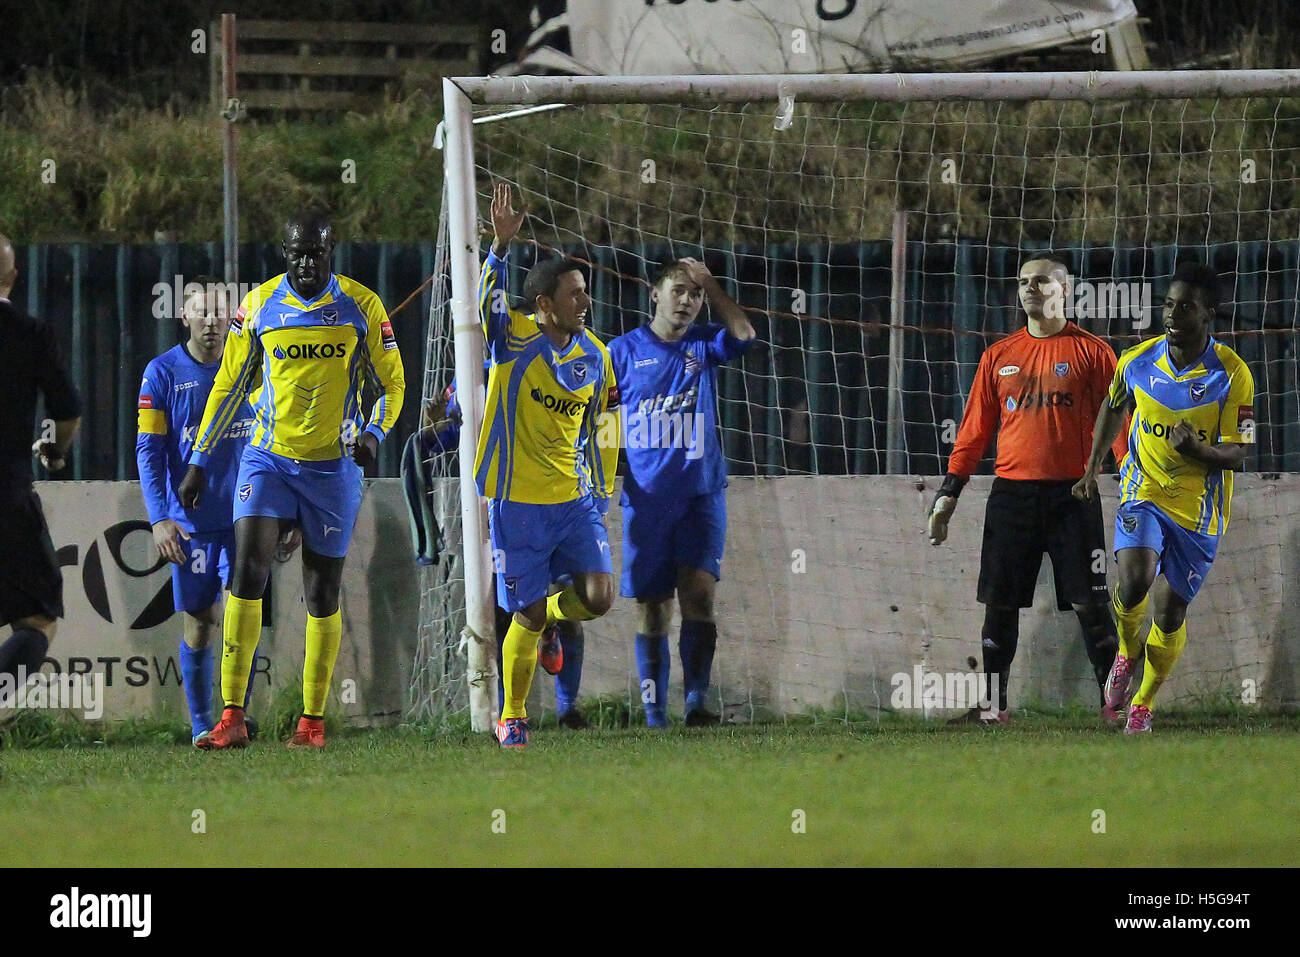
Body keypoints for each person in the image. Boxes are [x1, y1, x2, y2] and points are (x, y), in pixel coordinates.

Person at [179, 211, 405, 749]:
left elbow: (394, 384)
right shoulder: (257, 306)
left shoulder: (362, 306)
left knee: (321, 591)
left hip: (332, 466)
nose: (306, 262)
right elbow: (228, 384)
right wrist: (198, 461)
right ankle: (231, 716)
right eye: (296, 253)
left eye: (316, 253)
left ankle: (311, 722)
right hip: (268, 457)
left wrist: (373, 433)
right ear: (284, 253)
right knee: (247, 572)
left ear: (331, 252)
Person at [927, 253, 1128, 723]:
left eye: (1040, 281)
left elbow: (1118, 422)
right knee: (999, 602)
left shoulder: (1094, 352)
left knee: (1090, 603)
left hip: (1074, 496)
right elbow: (974, 432)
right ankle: (993, 708)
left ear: (1064, 290)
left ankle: (1117, 706)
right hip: (1012, 496)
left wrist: (1131, 482)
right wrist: (948, 493)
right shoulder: (998, 356)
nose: (1029, 289)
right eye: (1022, 282)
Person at [1073, 262, 1253, 734]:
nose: (1172, 315)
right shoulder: (1135, 360)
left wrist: (1198, 450)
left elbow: (1239, 453)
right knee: (1135, 578)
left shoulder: (1233, 375)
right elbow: (1113, 408)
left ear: (1209, 313)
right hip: (1143, 489)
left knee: (1170, 609)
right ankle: (1126, 654)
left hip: (1199, 507)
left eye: (1185, 307)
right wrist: (1092, 468)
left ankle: (1144, 703)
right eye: (1168, 304)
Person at [478, 182, 619, 748]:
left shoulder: (596, 354)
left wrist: (604, 487)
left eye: (585, 292)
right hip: (515, 502)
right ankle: (512, 714)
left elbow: (605, 423)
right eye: (573, 295)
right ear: (543, 306)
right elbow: (485, 302)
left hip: (574, 499)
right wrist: (498, 248)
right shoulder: (511, 341)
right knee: (526, 614)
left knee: (601, 596)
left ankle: (558, 619)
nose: (584, 303)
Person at [136, 277, 297, 745]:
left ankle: (233, 720)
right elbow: (149, 450)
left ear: (232, 320)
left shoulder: (256, 369)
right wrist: (159, 516)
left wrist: (289, 510)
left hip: (249, 517)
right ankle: (202, 723)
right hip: (191, 525)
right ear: (183, 317)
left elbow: (280, 440)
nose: (211, 322)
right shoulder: (162, 373)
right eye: (200, 313)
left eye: (219, 313)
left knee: (238, 615)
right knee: (201, 623)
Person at [608, 258, 756, 726]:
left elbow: (745, 336)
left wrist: (712, 284)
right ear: (655, 293)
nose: (687, 301)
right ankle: (655, 715)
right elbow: (599, 416)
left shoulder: (703, 344)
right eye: (679, 290)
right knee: (653, 608)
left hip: (701, 495)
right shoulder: (621, 352)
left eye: (694, 294)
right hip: (648, 501)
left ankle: (696, 702)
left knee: (700, 597)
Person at [414, 372, 589, 727]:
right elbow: (442, 440)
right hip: (497, 510)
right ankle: (505, 713)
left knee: (567, 595)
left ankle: (568, 708)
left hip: (553, 498)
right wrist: (431, 429)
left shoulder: (545, 361)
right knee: (507, 612)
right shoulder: (466, 378)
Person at [0, 233, 81, 711]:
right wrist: (54, 451)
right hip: (7, 495)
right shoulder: (30, 335)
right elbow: (67, 413)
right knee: (37, 617)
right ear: (12, 278)